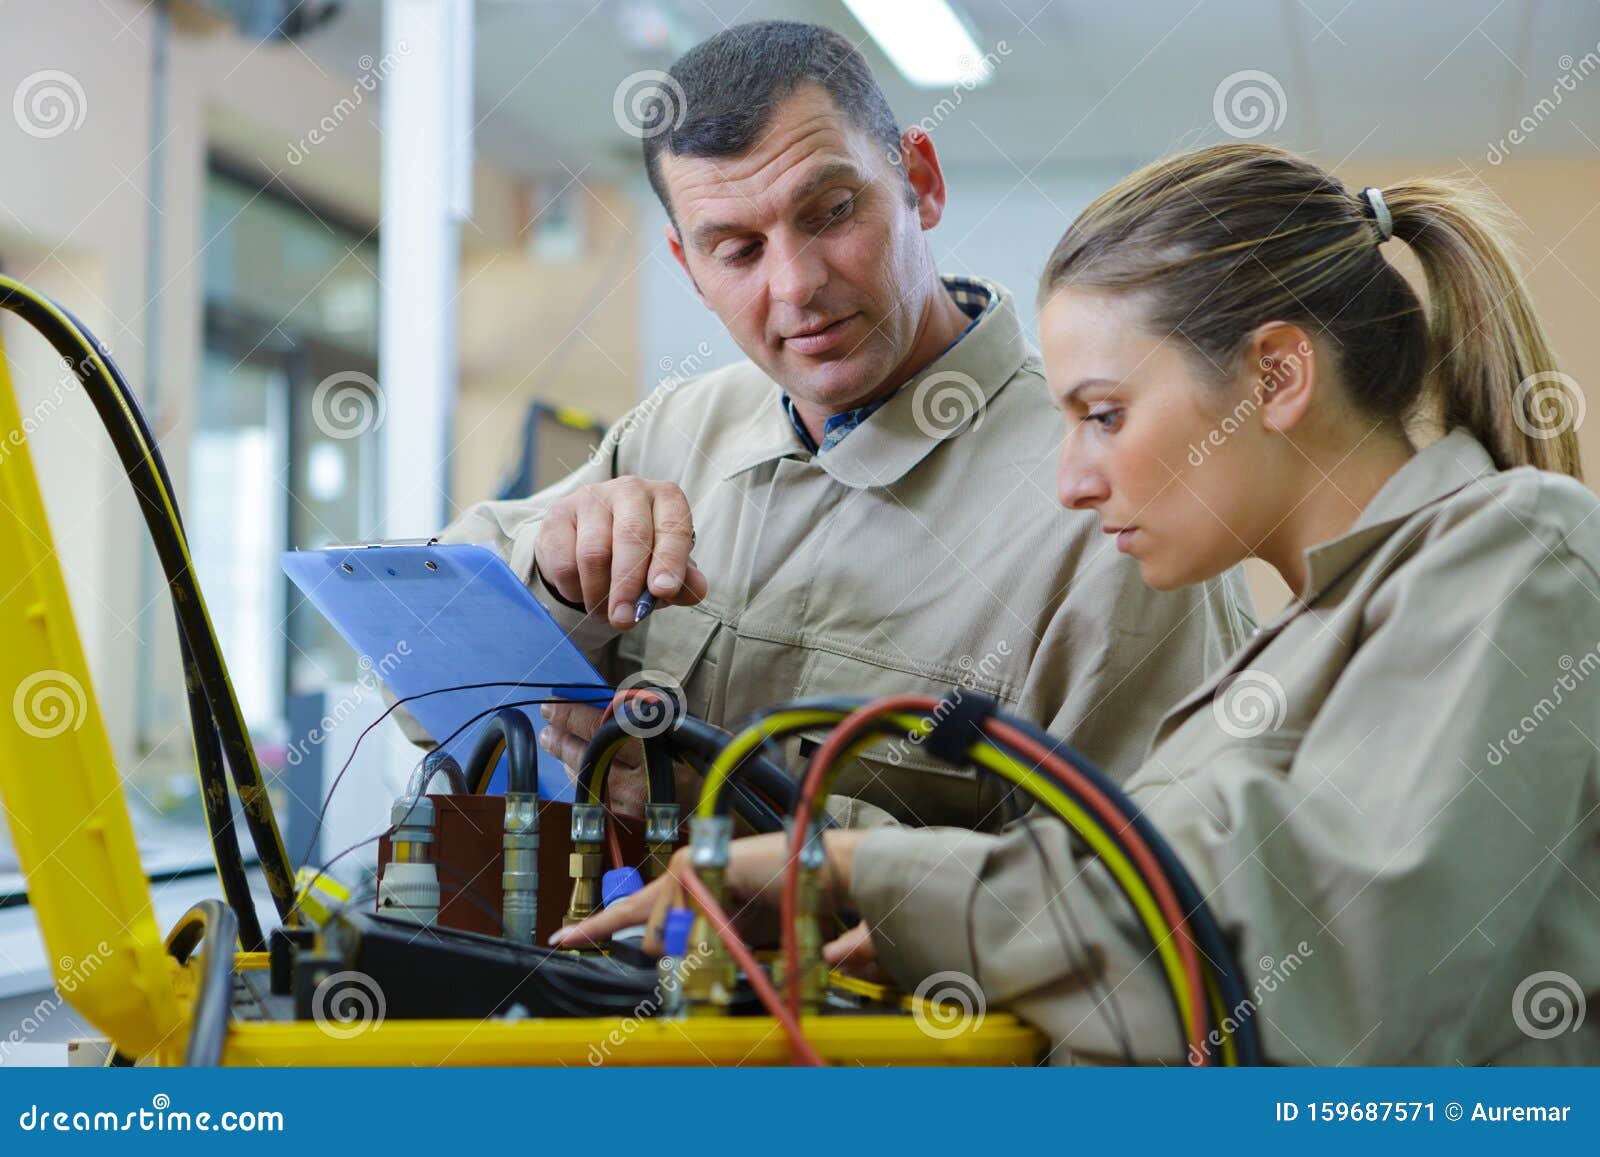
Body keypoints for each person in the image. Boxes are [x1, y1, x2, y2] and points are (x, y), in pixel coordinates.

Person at [558, 143, 1600, 1066]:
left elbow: (1312, 968)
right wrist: (980, 933)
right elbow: (1169, 911)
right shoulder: (1300, 635)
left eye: (1104, 414)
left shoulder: (1520, 550)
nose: (1072, 480)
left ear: (1275, 375)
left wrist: (864, 869)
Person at [429, 22, 1253, 829]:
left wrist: (740, 813)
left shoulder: (1110, 499)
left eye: (829, 212)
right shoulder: (678, 428)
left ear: (920, 182)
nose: (797, 285)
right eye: (738, 250)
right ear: (690, 269)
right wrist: (558, 581)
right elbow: (426, 671)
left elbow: (1158, 901)